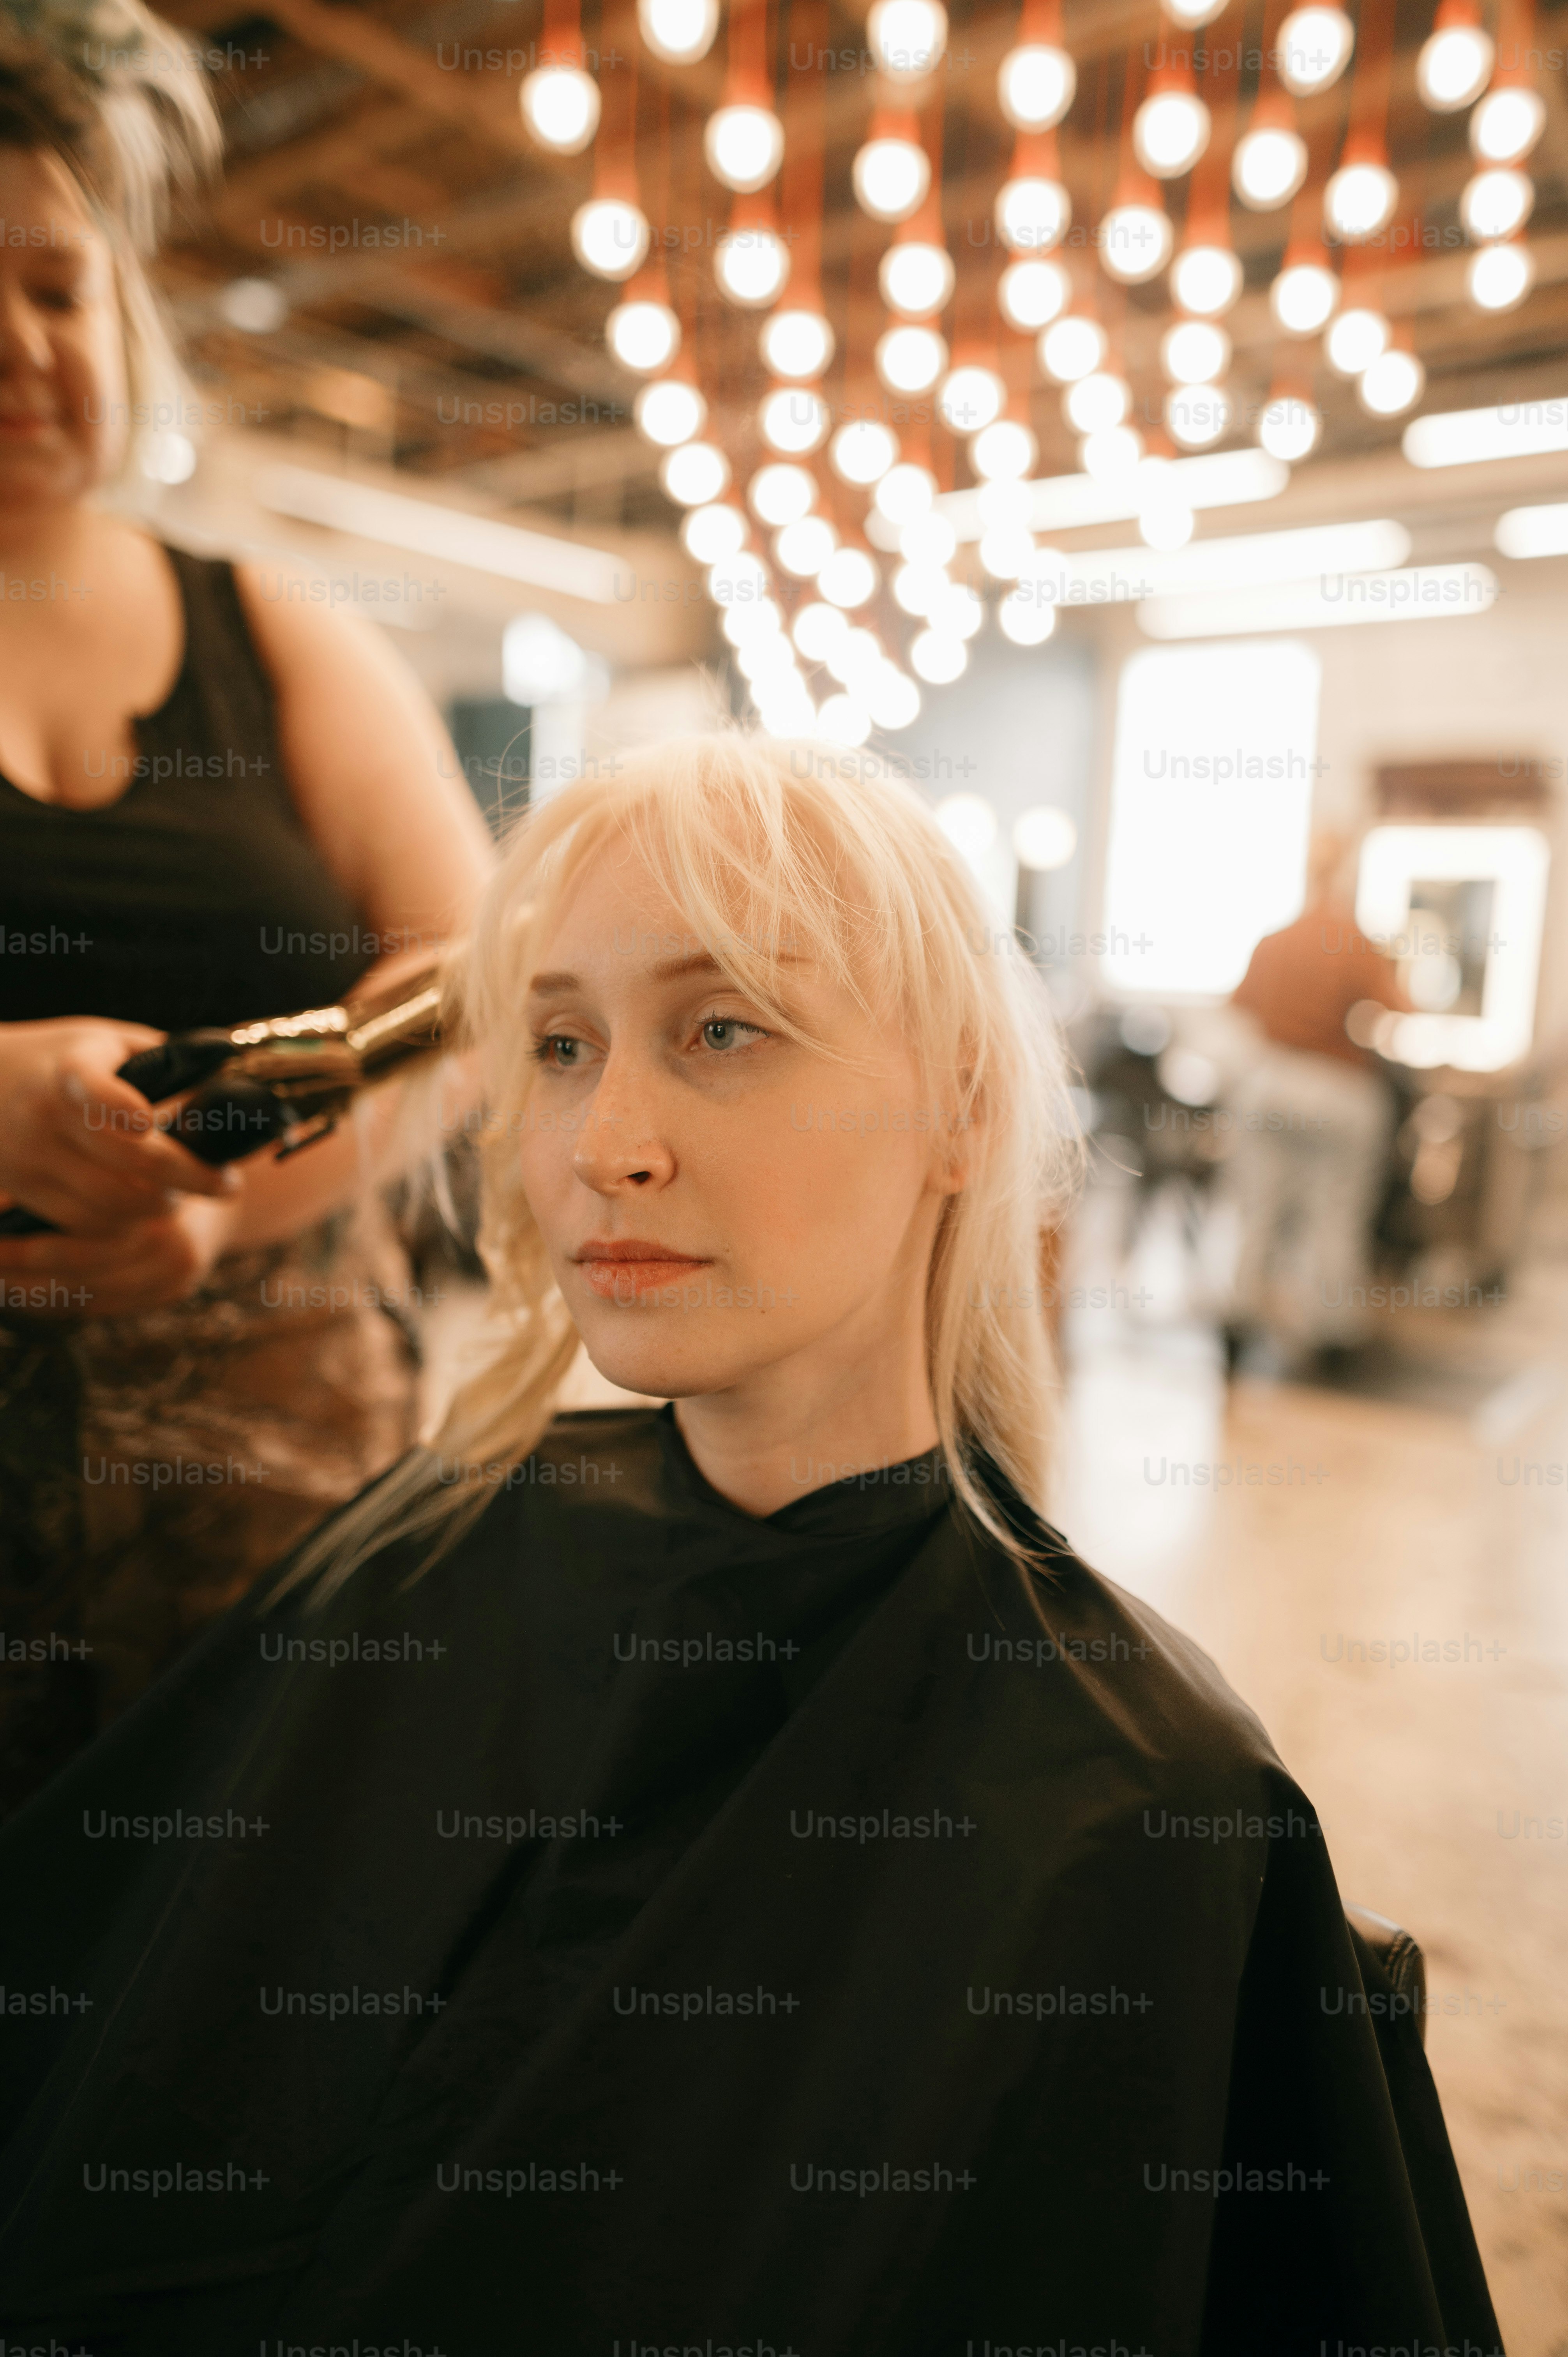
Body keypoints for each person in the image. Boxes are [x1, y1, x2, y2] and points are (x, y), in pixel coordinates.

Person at [0, 737, 1499, 2355]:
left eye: (722, 1029)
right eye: (560, 1044)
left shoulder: (1147, 1794)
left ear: (960, 1110)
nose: (605, 1142)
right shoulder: (422, 1561)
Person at [0, 1, 493, 1814]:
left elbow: (471, 990)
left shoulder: (278, 636)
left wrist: (222, 1213)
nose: (20, 344)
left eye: (57, 288)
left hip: (278, 1523)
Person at [1225, 829, 1411, 1372]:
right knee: (1334, 1211)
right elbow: (1398, 1009)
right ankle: (1330, 1333)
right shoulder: (1355, 942)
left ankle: (1239, 1318)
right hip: (1337, 1089)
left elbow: (1240, 1012)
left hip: (1270, 1083)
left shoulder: (1275, 941)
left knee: (1259, 1205)